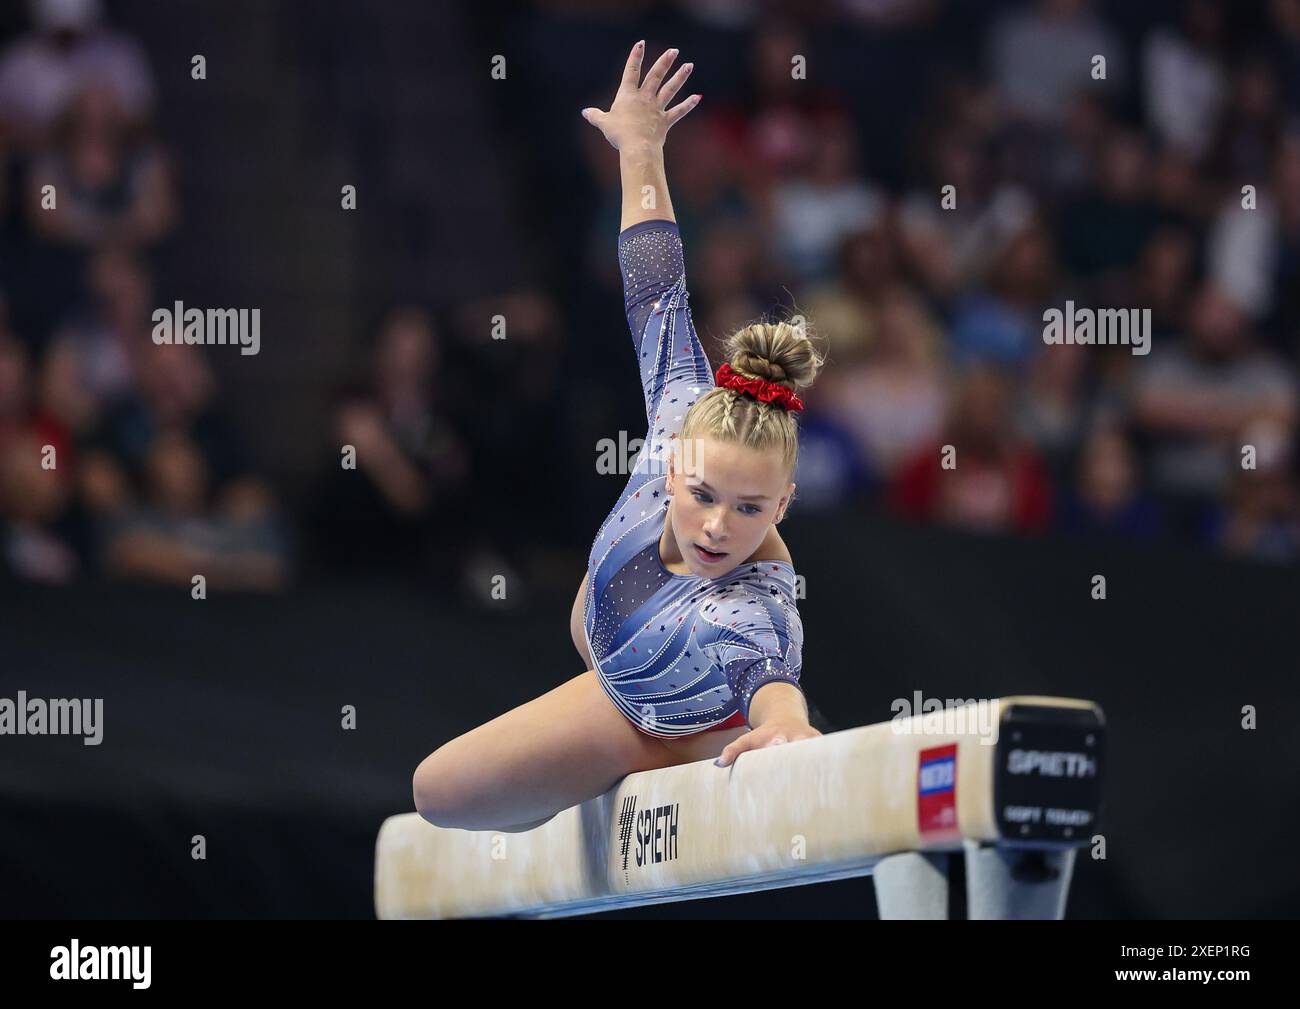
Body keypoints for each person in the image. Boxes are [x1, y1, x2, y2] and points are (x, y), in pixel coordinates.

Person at [414, 42, 823, 835]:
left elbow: (774, 677)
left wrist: (788, 724)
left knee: (443, 791)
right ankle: (668, 747)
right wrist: (641, 148)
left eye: (750, 509)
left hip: (638, 714)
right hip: (619, 666)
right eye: (704, 494)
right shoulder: (680, 408)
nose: (717, 526)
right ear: (672, 463)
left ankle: (687, 747)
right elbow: (655, 284)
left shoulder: (756, 609)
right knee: (431, 795)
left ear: (784, 503)